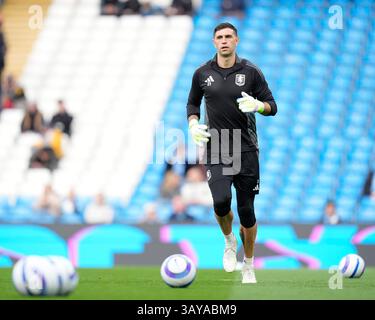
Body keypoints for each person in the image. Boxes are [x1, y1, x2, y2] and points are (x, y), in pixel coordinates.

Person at [186, 23, 277, 283]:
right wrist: (193, 123)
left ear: (236, 40)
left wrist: (259, 105)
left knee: (246, 211)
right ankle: (229, 242)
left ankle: (248, 264)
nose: (224, 41)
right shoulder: (202, 73)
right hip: (217, 148)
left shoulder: (251, 72)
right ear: (214, 42)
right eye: (219, 37)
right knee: (221, 201)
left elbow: (273, 106)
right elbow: (192, 102)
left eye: (228, 37)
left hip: (246, 148)